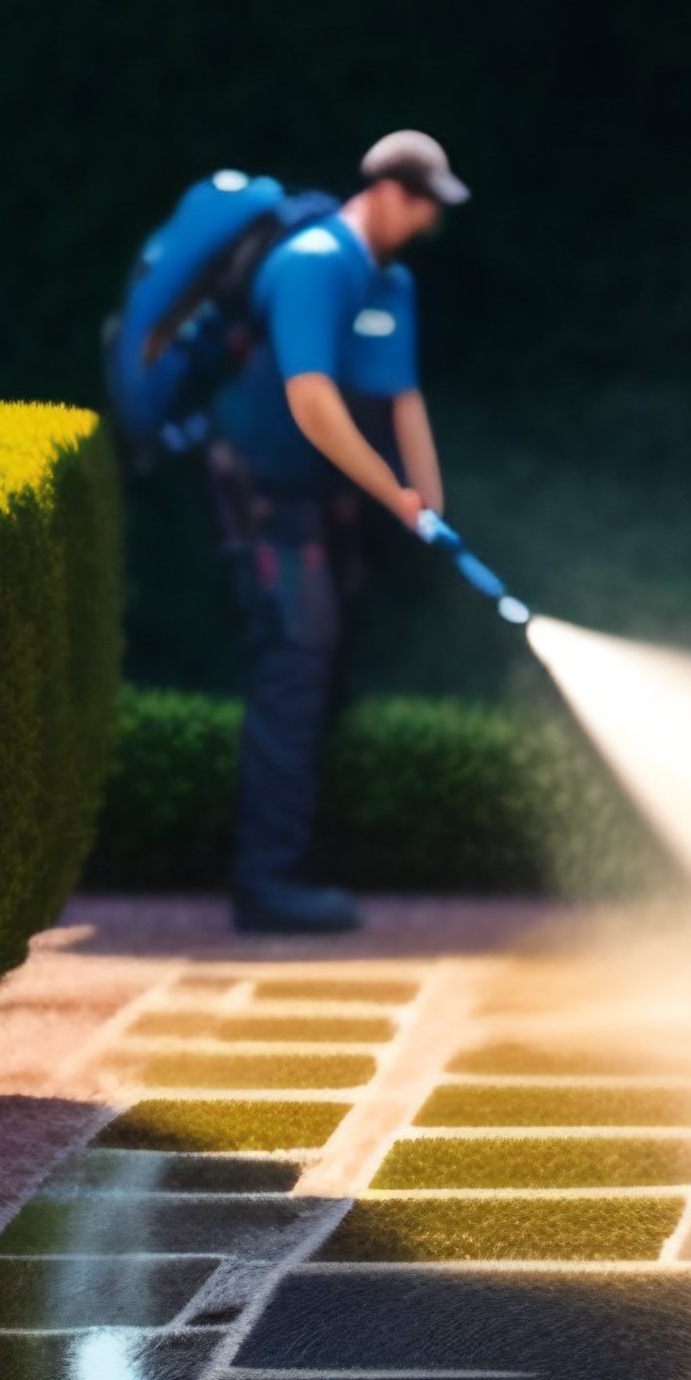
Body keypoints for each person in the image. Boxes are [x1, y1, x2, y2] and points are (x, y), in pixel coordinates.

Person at [203, 128, 468, 932]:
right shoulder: (315, 265)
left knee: (319, 657)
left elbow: (401, 399)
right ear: (386, 190)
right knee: (294, 659)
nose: (427, 220)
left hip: (315, 492)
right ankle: (266, 885)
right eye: (421, 202)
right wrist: (393, 493)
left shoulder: (389, 282)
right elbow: (312, 402)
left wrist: (430, 502)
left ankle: (291, 863)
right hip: (258, 484)